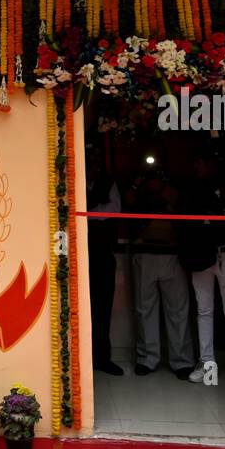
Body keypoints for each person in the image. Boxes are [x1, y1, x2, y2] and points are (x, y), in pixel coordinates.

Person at [180, 155, 225, 389]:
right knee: (204, 310)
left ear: (212, 164)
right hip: (201, 255)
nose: (197, 165)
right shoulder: (191, 189)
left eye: (201, 161)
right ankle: (206, 362)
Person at [130, 179, 195, 379]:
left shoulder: (174, 187)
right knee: (144, 308)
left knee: (178, 309)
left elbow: (183, 213)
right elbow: (130, 209)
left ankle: (182, 361)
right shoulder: (139, 187)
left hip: (172, 253)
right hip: (145, 252)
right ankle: (147, 359)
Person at [86, 146, 123, 376]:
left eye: (96, 161)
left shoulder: (109, 183)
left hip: (103, 256)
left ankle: (102, 357)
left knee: (103, 309)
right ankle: (82, 356)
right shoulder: (74, 179)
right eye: (89, 160)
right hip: (81, 255)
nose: (93, 166)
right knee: (81, 308)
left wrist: (90, 209)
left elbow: (113, 210)